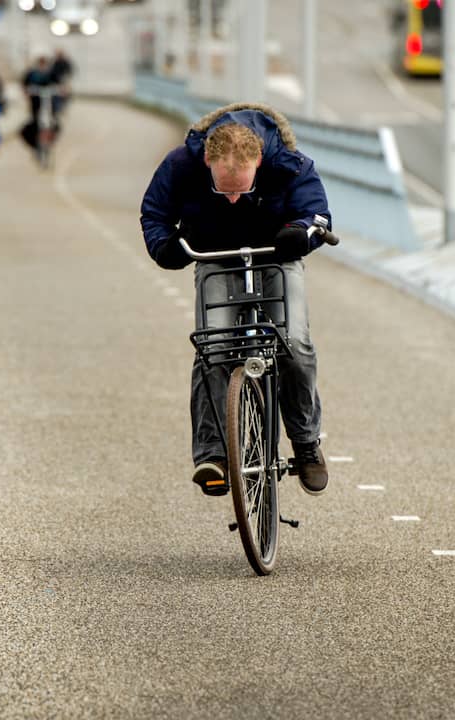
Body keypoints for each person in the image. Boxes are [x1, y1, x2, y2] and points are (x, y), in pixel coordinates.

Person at [139, 102, 332, 496]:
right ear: (207, 160)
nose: (232, 200)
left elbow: (318, 216)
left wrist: (300, 232)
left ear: (258, 160)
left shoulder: (291, 165)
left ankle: (306, 442)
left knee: (294, 343)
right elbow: (154, 214)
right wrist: (167, 247)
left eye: (241, 190)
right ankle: (213, 454)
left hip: (276, 257)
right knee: (214, 348)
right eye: (222, 190)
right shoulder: (181, 164)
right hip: (214, 258)